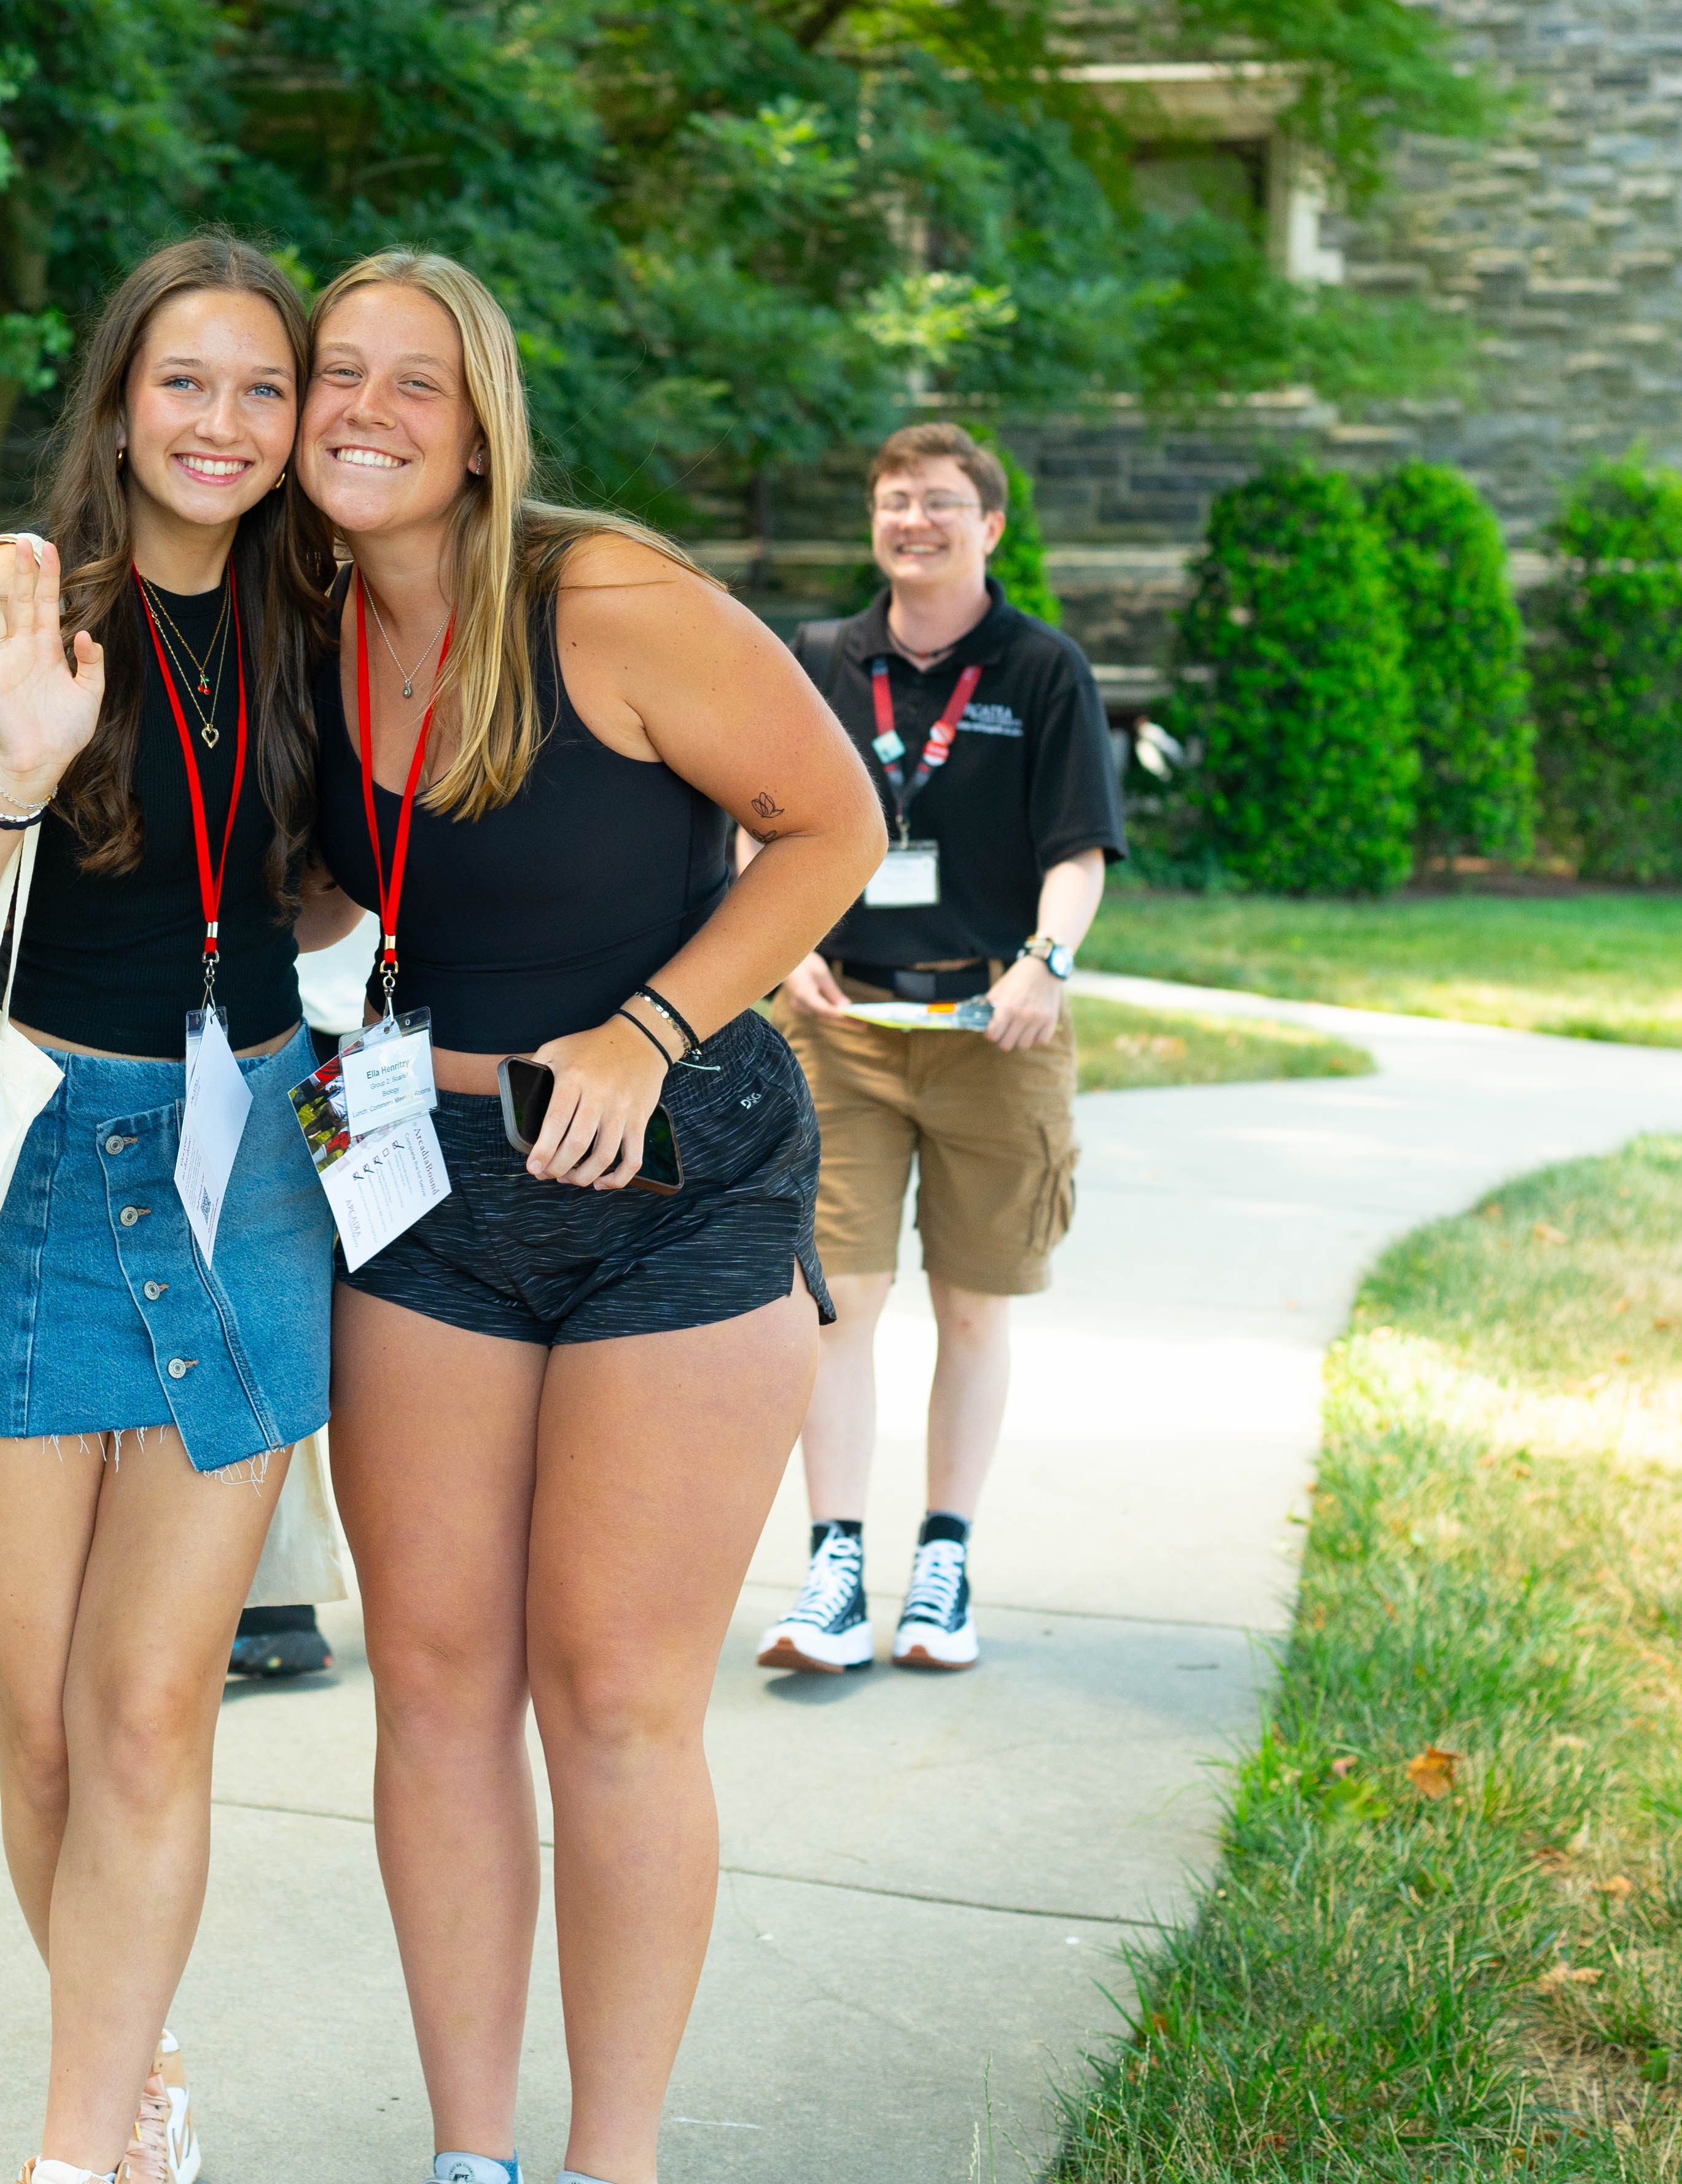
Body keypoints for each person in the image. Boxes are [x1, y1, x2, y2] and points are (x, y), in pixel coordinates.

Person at [295, 250, 883, 2184]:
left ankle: (611, 2160)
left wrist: (644, 1028)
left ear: (480, 434)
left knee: (616, 1698)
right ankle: (475, 2157)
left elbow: (837, 825)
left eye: (417, 384)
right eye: (337, 374)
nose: (367, 410)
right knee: (441, 1681)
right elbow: (339, 891)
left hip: (680, 1174)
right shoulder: (303, 628)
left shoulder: (601, 599)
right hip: (433, 1185)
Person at [0, 235, 340, 2184]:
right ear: (121, 400)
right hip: (38, 1182)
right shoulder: (17, 611)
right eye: (186, 383)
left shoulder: (328, 625)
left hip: (252, 1181)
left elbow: (310, 884)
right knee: (42, 1734)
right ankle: (135, 2084)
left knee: (148, 1721)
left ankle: (74, 2157)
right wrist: (18, 784)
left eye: (263, 389)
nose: (224, 426)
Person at [755, 422, 1121, 1678]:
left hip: (992, 1028)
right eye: (896, 501)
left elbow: (1079, 848)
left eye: (943, 503)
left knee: (973, 1306)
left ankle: (945, 1564)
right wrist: (776, 940)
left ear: (992, 526)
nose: (916, 520)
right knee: (835, 1303)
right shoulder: (815, 659)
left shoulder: (1044, 668)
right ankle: (835, 1567)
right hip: (843, 1025)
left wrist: (1045, 963)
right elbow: (765, 818)